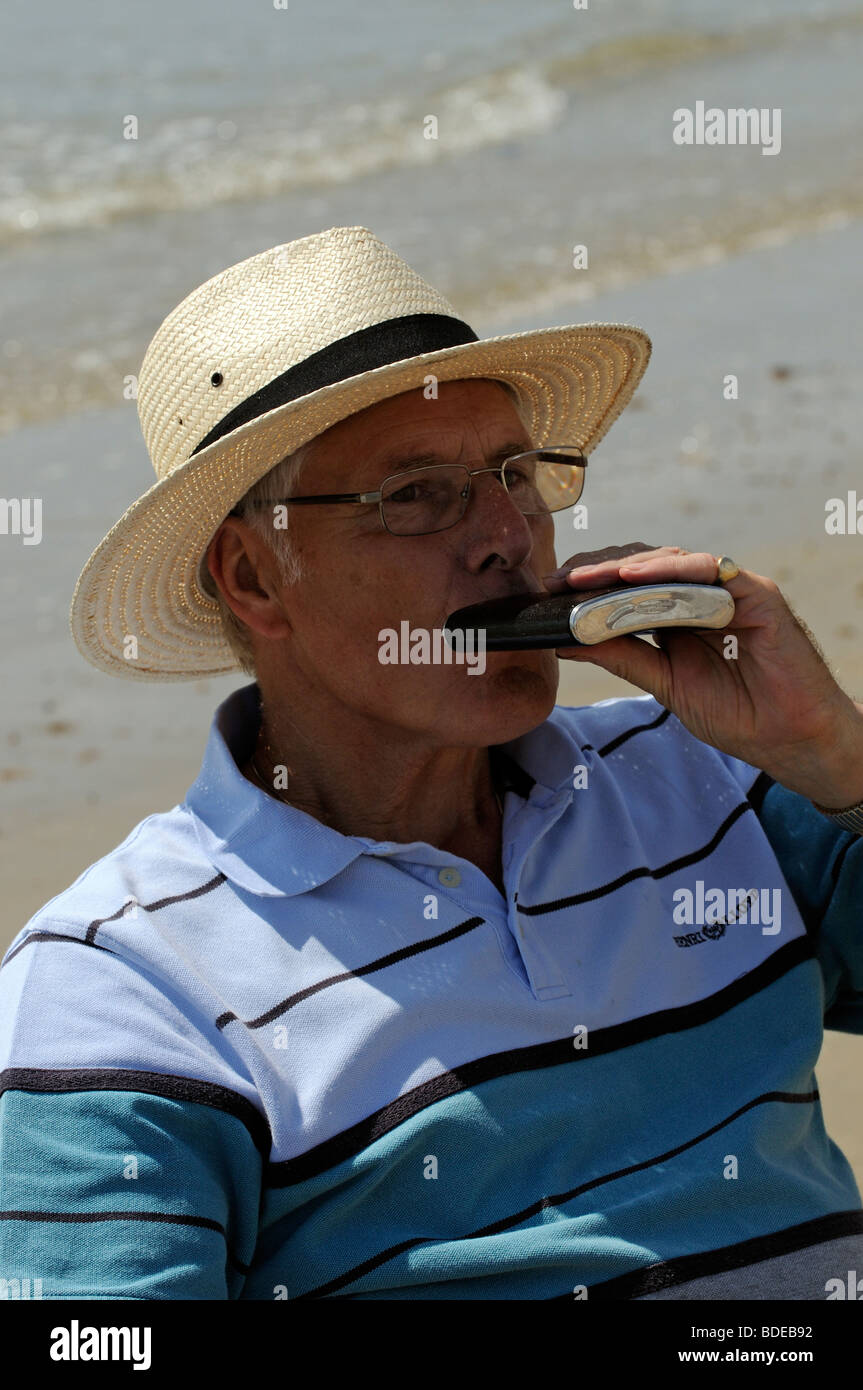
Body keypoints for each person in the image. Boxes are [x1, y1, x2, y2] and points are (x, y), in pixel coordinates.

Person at [1, 226, 861, 1300]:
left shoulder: (710, 779)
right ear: (255, 576)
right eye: (414, 493)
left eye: (514, 473)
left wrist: (834, 755)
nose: (509, 534)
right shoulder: (123, 995)